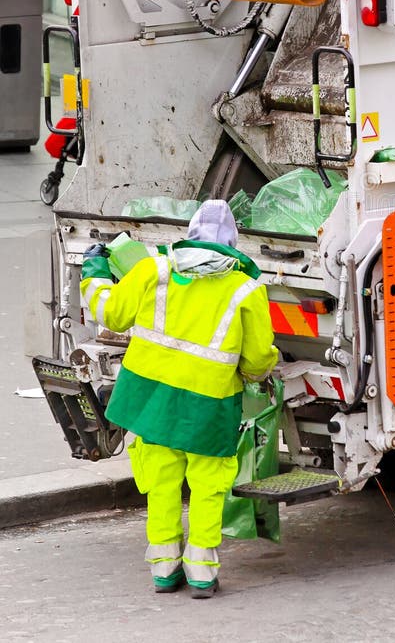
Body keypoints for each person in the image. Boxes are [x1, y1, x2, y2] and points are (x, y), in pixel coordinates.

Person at [80, 200, 278, 598]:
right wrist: (258, 372)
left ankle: (165, 568)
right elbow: (257, 361)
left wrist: (95, 273)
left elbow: (111, 313)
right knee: (207, 483)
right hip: (209, 401)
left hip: (152, 396)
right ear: (232, 243)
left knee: (162, 481)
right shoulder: (246, 289)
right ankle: (202, 573)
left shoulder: (154, 269)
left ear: (188, 234)